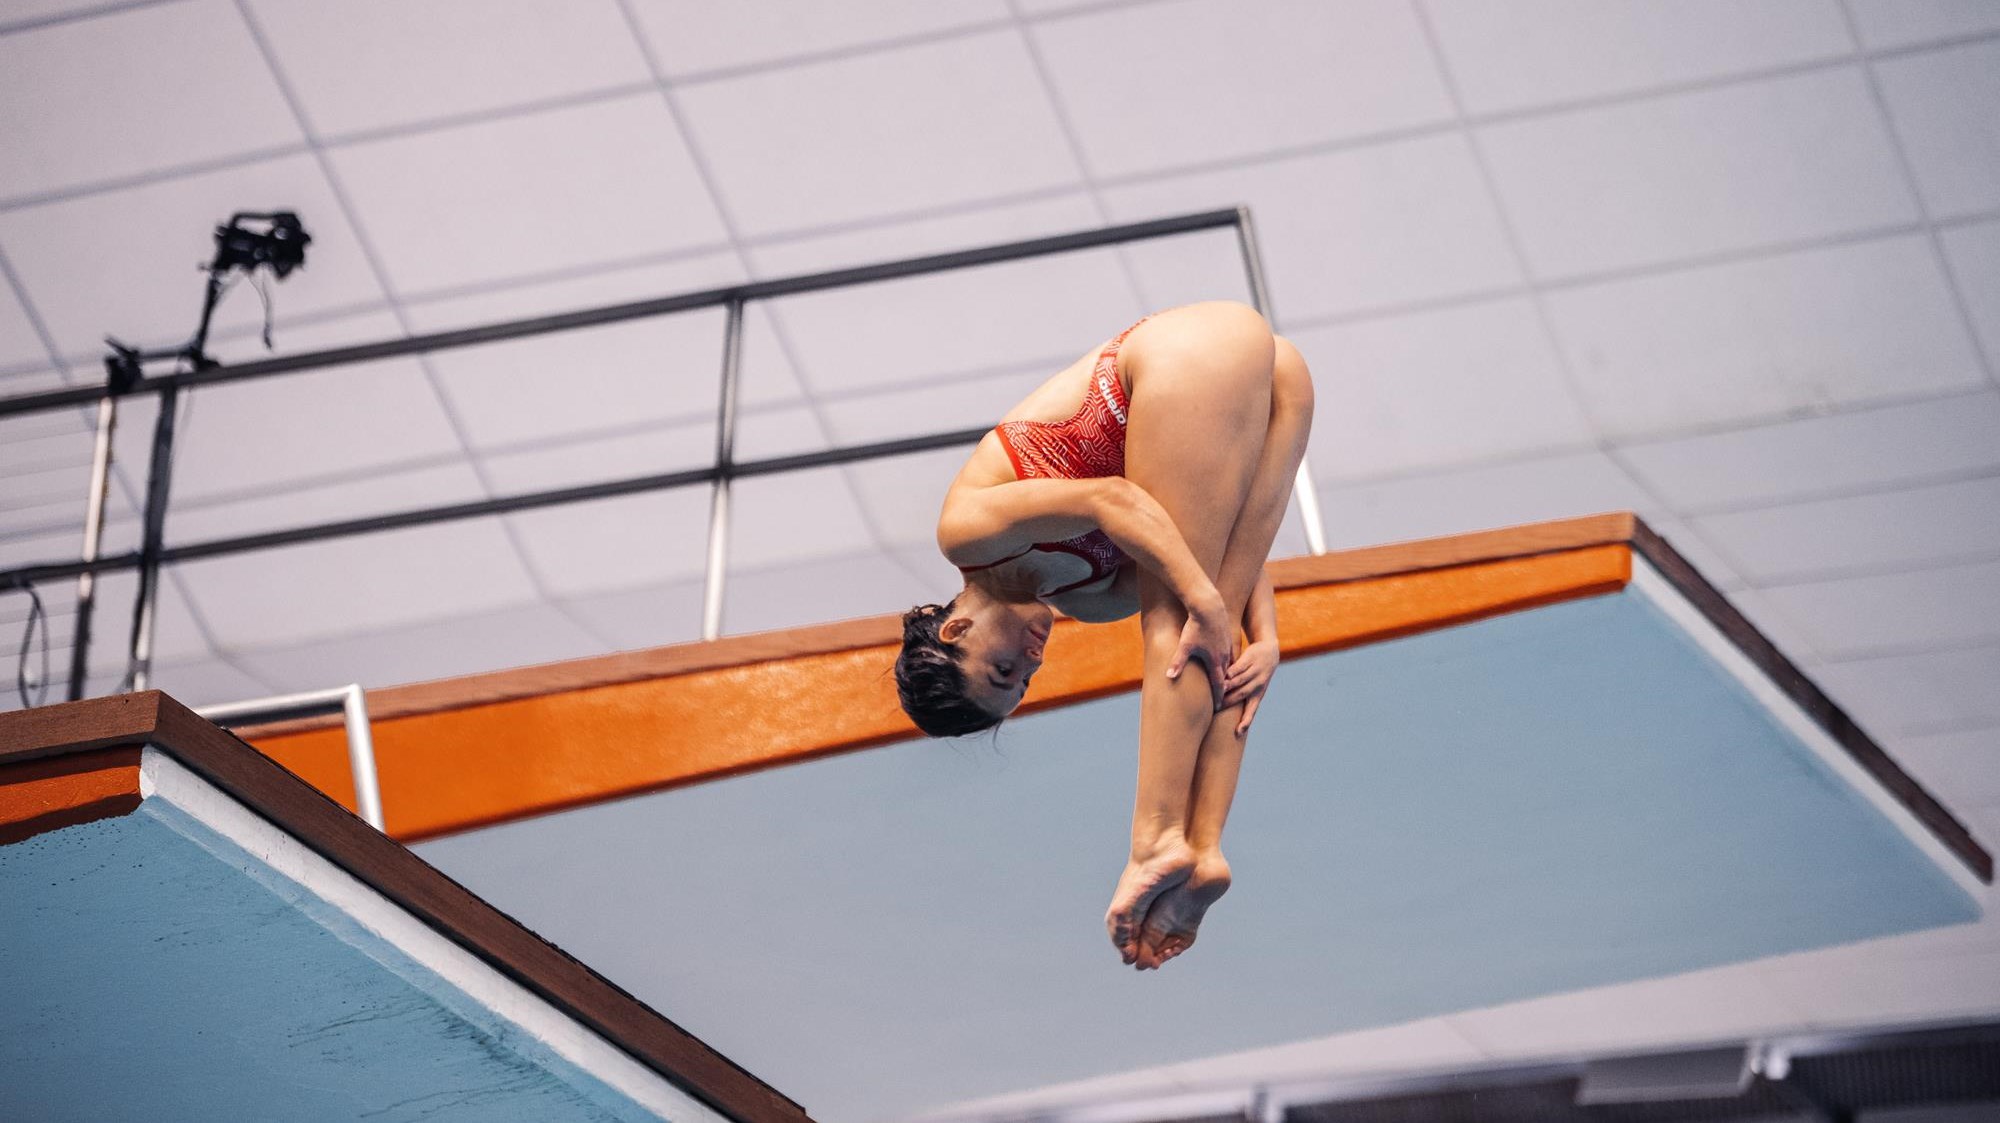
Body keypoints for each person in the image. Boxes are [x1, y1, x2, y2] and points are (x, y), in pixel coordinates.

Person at [894, 300, 1315, 970]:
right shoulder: (1084, 598)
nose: (1032, 660)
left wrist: (1205, 601)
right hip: (1279, 384)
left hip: (1193, 350)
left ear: (957, 626)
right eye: (1025, 681)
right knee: (1216, 637)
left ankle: (1154, 839)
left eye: (1004, 669)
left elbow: (1115, 502)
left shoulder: (967, 529)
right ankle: (1203, 847)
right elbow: (1217, 536)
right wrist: (1264, 635)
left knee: (1176, 618)